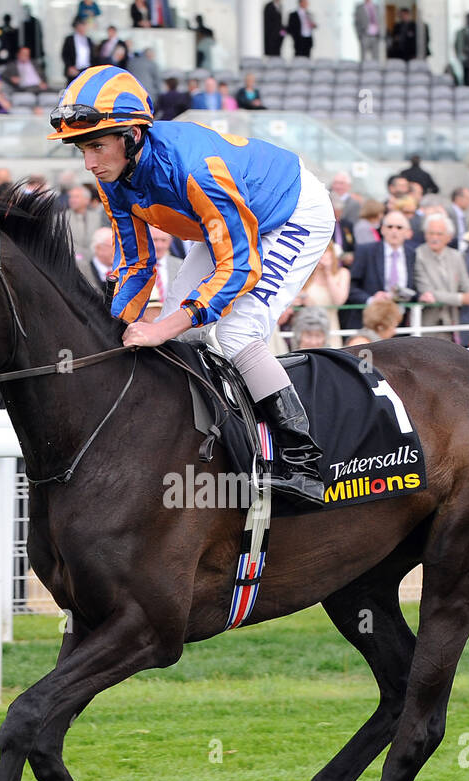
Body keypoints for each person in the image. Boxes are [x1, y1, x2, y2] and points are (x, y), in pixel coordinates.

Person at [47, 66, 335, 503]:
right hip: (224, 222)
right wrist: (108, 329)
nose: (89, 162)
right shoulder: (113, 178)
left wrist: (162, 327)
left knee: (235, 330)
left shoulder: (197, 169)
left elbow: (240, 266)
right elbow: (137, 264)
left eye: (97, 146)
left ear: (132, 136)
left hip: (291, 212)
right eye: (81, 150)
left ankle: (304, 463)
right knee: (182, 327)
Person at [414, 215, 469, 330]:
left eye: (439, 234)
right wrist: (462, 299)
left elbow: (466, 285)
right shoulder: (418, 255)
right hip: (426, 324)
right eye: (430, 233)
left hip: (452, 323)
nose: (434, 237)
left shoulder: (456, 256)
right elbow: (427, 291)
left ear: (449, 237)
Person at [298, 242, 349, 345]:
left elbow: (339, 301)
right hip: (308, 331)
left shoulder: (342, 273)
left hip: (332, 329)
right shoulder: (305, 275)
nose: (322, 255)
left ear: (332, 253)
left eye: (325, 251)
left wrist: (328, 273)